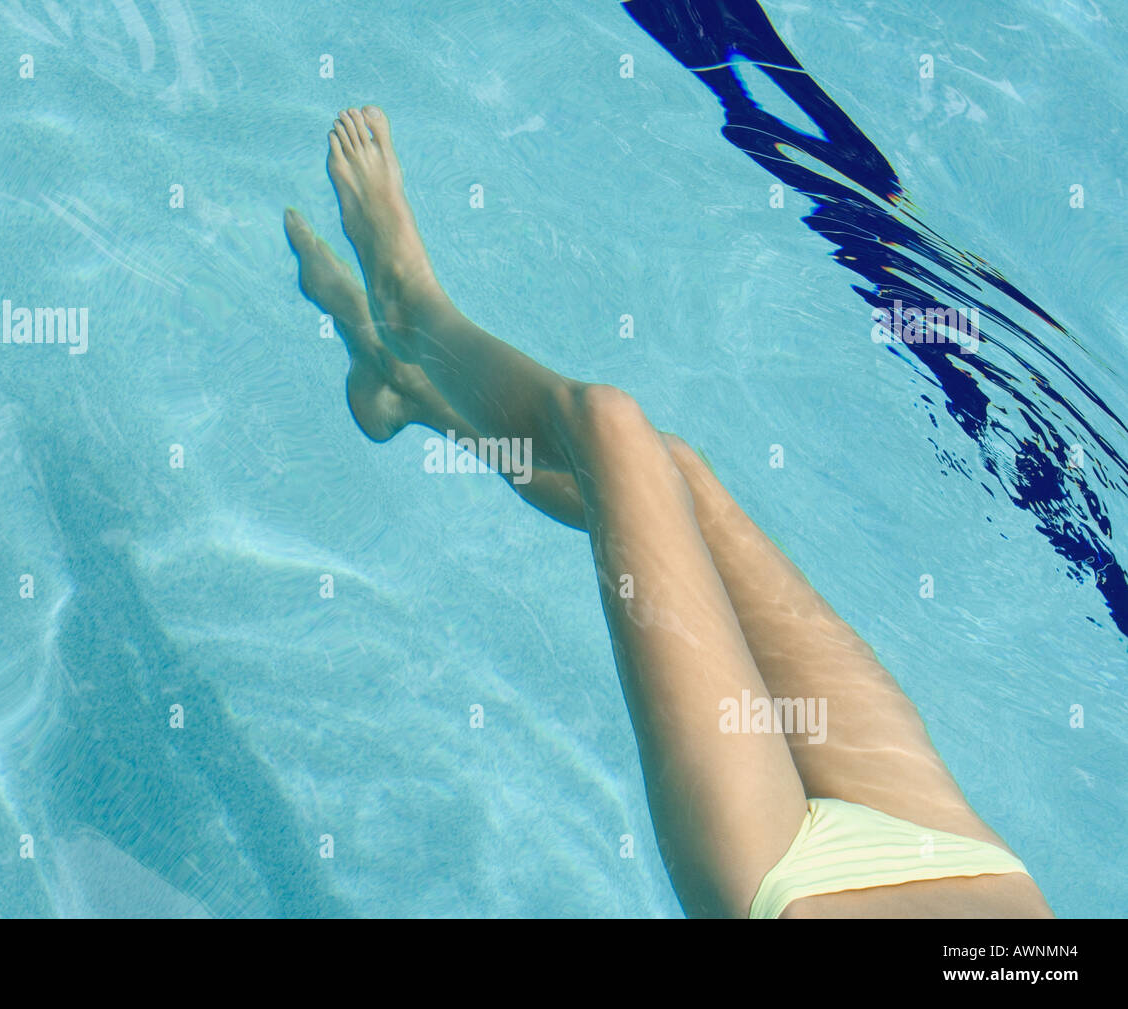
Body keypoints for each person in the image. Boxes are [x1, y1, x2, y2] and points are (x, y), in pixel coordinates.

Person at [283, 105, 1054, 919]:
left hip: (782, 884)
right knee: (670, 473)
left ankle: (409, 314)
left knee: (608, 427)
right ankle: (410, 392)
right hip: (964, 866)